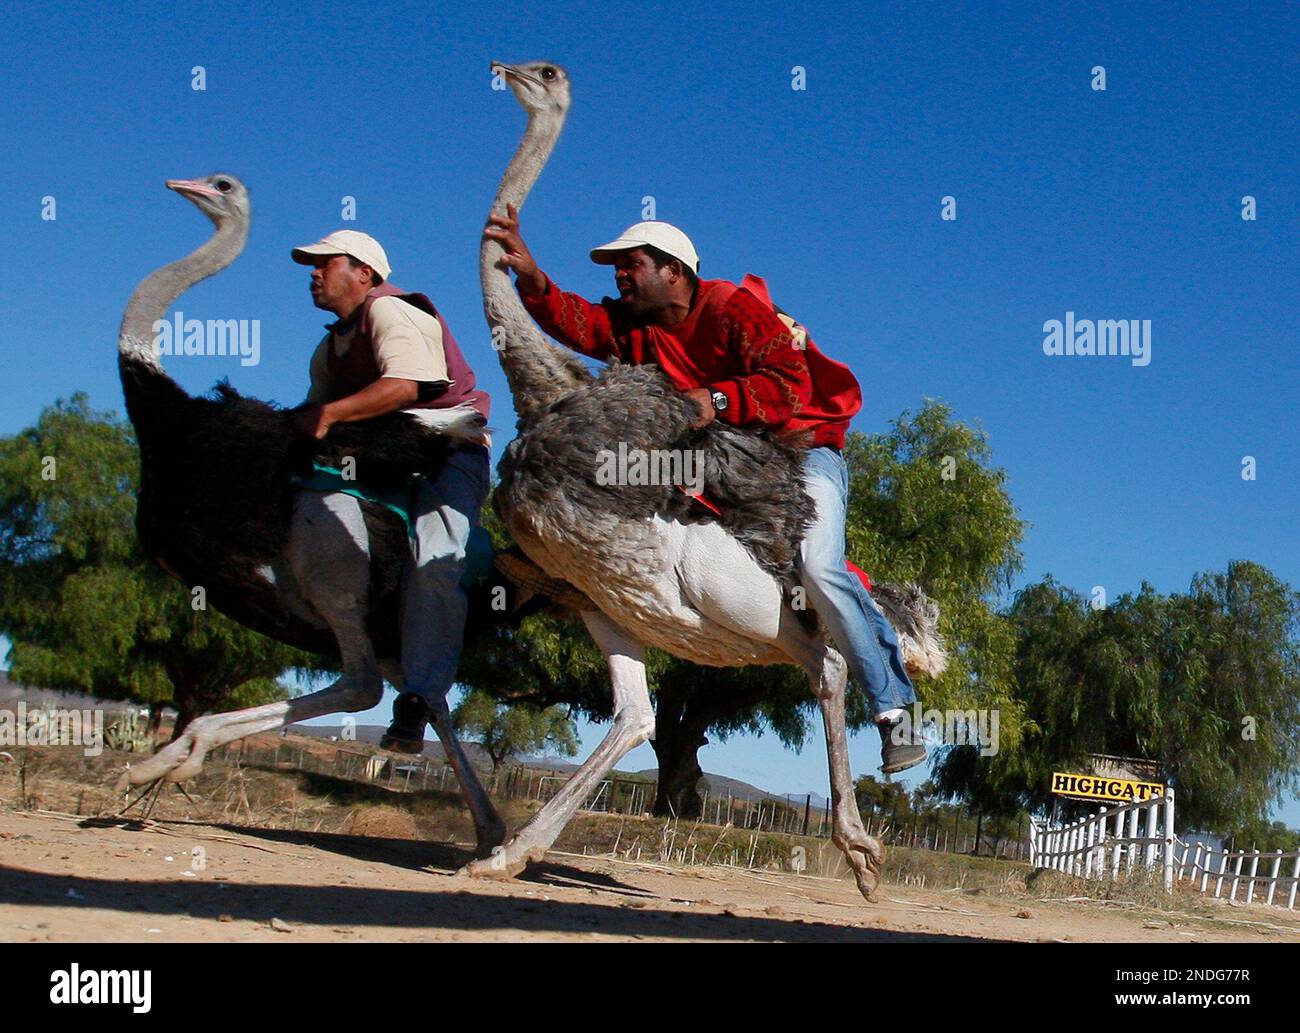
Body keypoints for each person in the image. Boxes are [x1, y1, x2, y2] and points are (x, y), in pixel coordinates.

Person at [484, 211, 926, 773]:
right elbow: (587, 326)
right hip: (716, 451)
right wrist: (533, 279)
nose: (619, 275)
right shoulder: (638, 324)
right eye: (617, 266)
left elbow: (788, 384)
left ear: (672, 272)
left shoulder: (731, 309)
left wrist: (713, 402)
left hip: (799, 452)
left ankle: (894, 711)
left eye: (630, 264)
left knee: (818, 566)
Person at [290, 230, 491, 753]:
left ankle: (419, 699)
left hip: (447, 452)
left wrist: (329, 414)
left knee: (437, 555)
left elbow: (407, 386)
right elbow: (312, 422)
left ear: (364, 273)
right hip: (382, 457)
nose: (313, 272)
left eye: (324, 263)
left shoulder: (393, 312)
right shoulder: (327, 349)